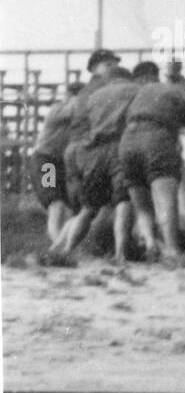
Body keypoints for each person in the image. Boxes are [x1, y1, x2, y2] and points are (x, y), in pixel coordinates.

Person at [119, 67, 185, 263]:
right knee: (165, 200)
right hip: (156, 139)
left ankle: (150, 244)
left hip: (127, 140)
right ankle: (172, 250)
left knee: (141, 205)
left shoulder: (148, 89)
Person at [47, 63, 140, 264]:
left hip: (91, 151)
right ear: (127, 78)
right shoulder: (136, 90)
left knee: (88, 208)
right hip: (118, 147)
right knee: (123, 201)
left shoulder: (94, 96)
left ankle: (66, 249)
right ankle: (120, 253)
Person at [29, 81, 84, 243]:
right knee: (56, 204)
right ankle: (57, 245)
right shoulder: (57, 109)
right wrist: (78, 99)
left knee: (73, 206)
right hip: (45, 161)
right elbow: (71, 111)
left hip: (61, 163)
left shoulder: (75, 114)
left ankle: (63, 243)